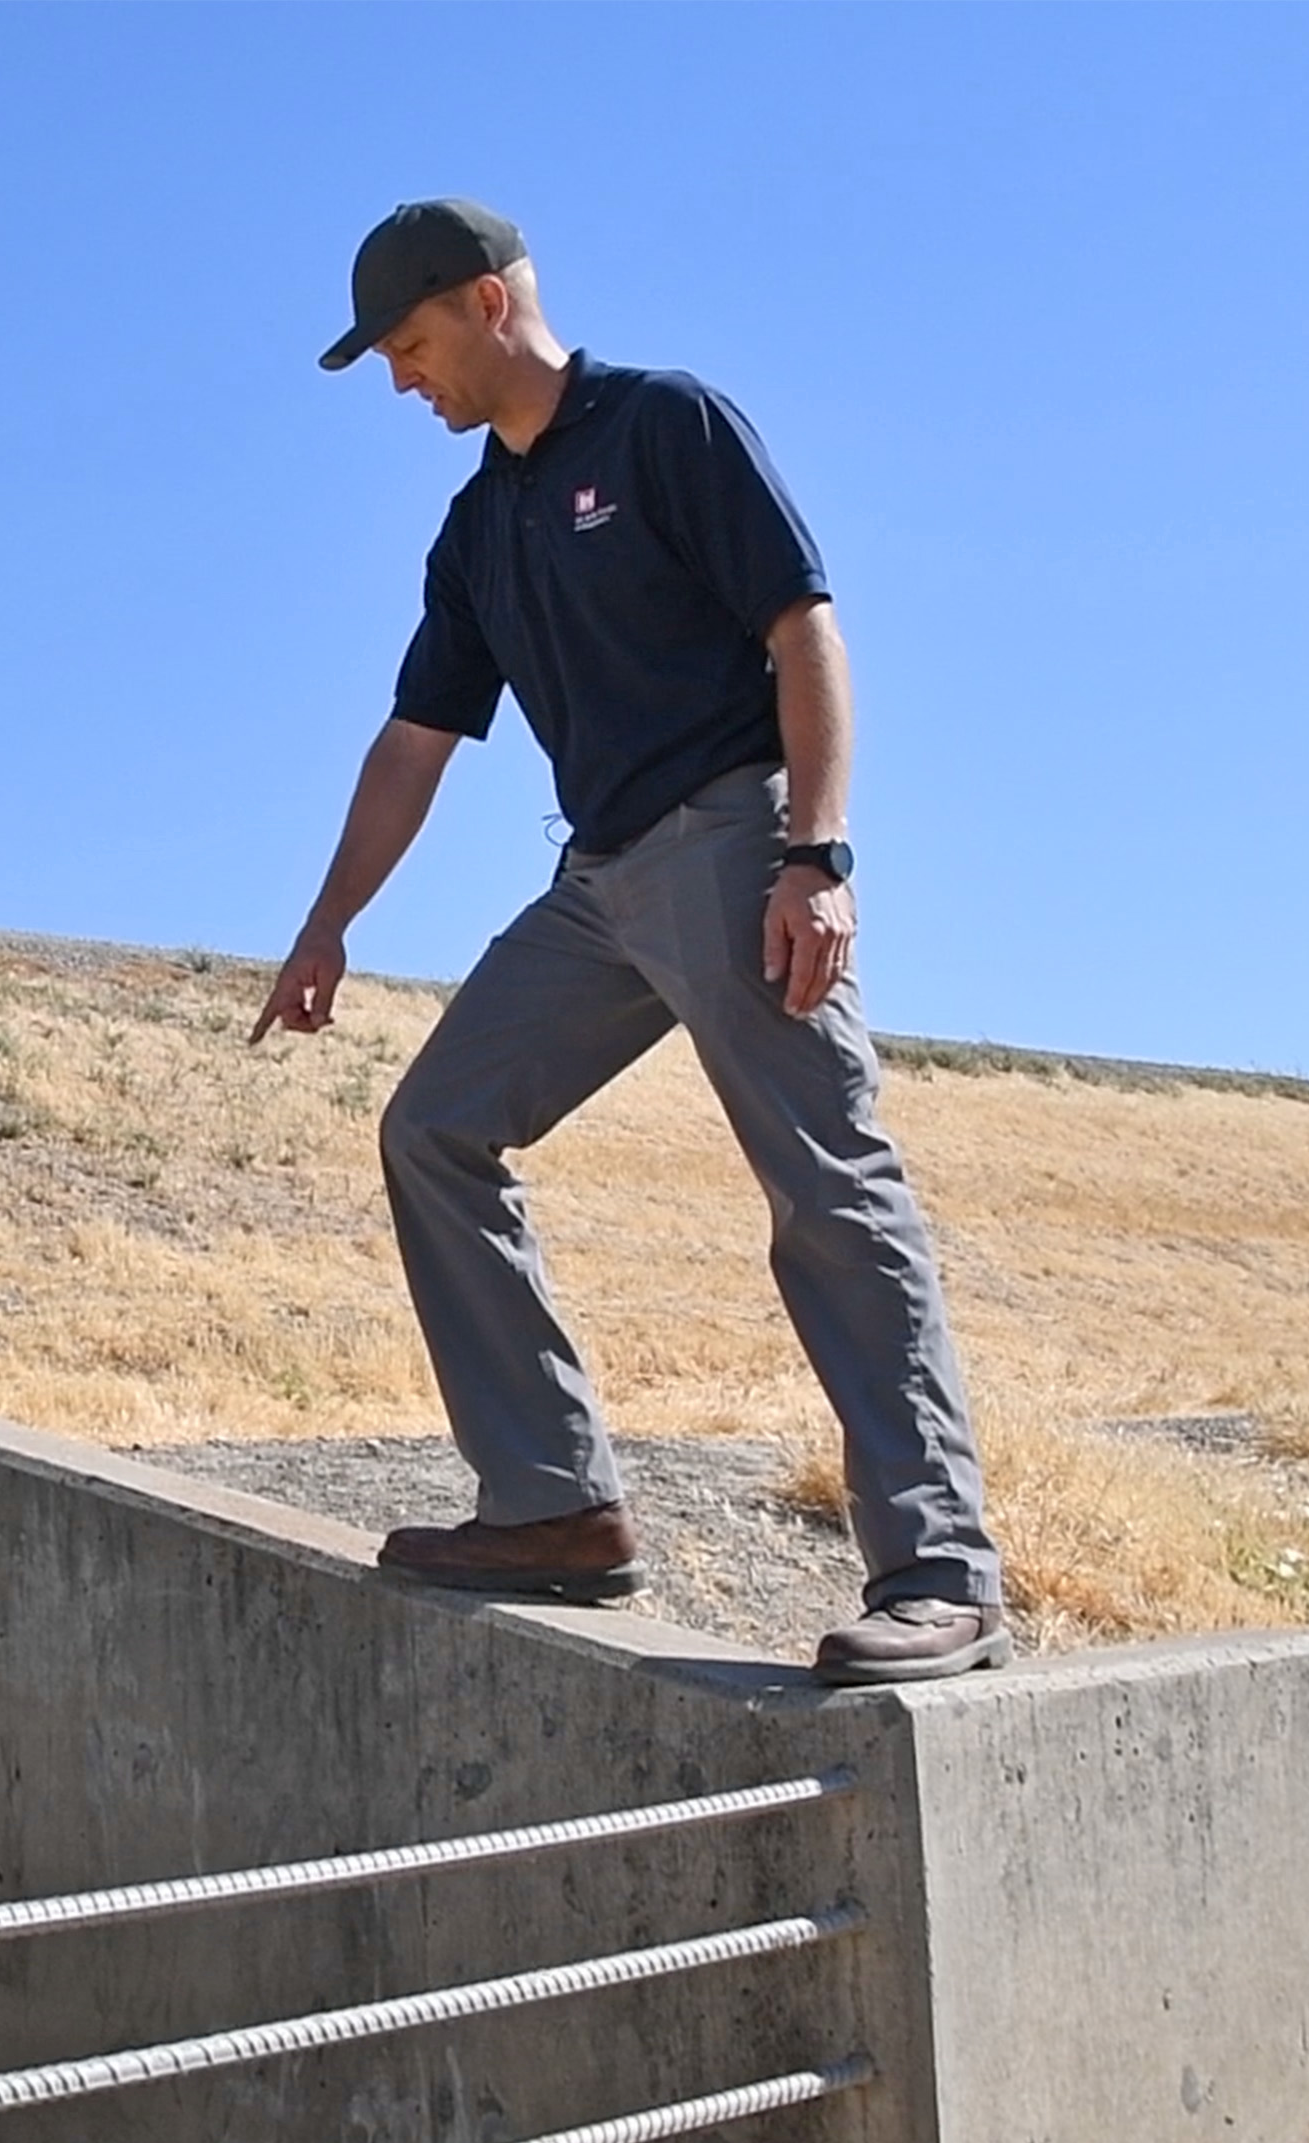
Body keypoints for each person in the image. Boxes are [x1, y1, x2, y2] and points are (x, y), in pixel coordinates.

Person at [252, 199, 1009, 1686]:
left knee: (826, 1188)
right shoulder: (479, 529)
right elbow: (416, 741)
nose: (406, 383)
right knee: (436, 1128)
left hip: (736, 845)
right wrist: (328, 924)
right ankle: (553, 1504)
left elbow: (806, 632)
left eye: (409, 347)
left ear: (484, 301)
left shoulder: (665, 426)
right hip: (600, 883)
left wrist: (818, 855)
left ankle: (941, 1572)